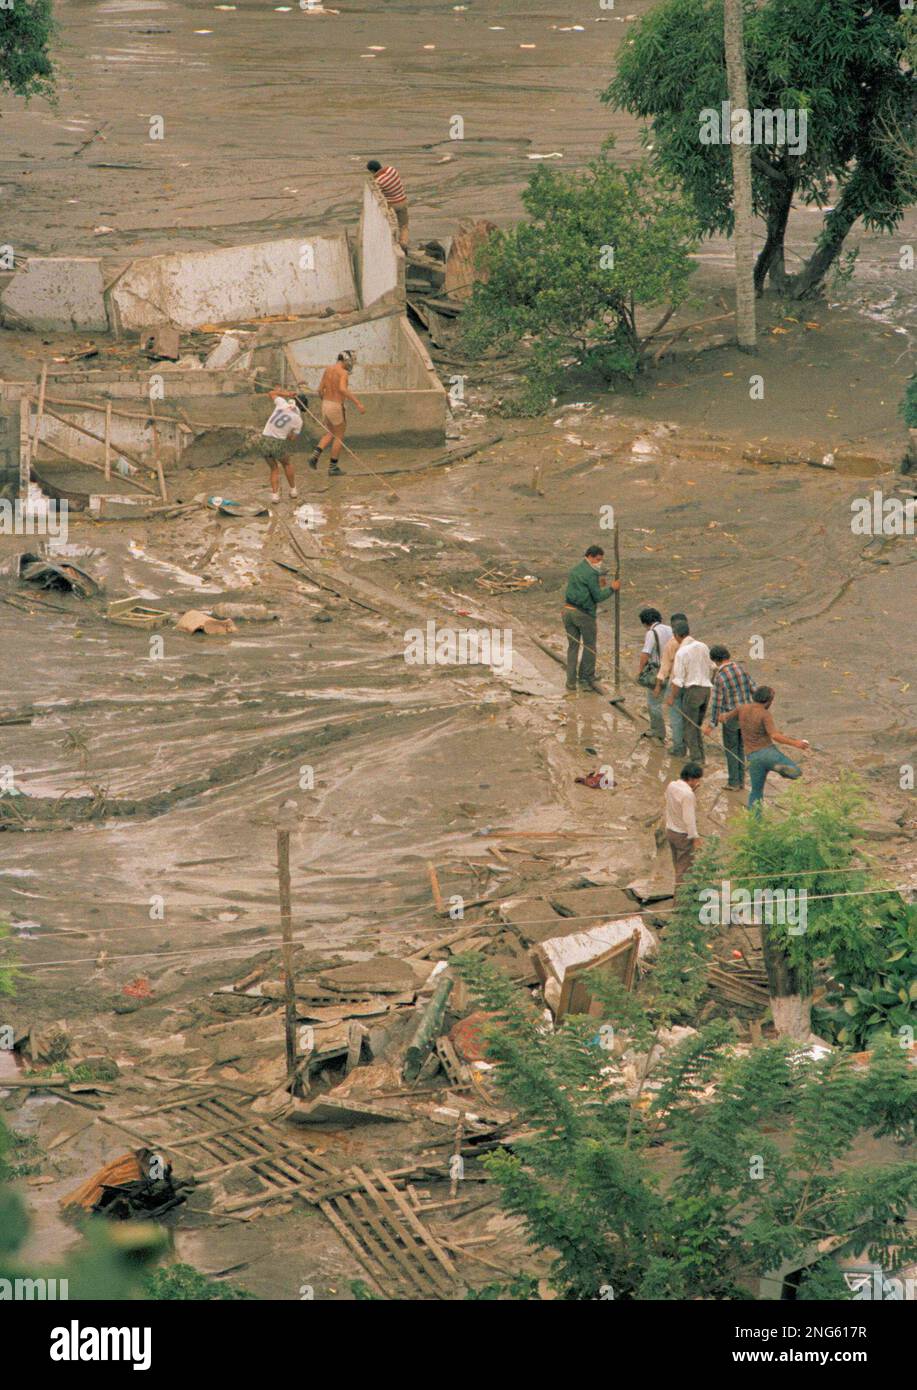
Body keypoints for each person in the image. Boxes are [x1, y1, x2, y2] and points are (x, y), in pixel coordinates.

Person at [721, 686, 809, 810]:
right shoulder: (764, 714)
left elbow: (724, 718)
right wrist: (796, 743)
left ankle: (755, 823)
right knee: (796, 773)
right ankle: (778, 768)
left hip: (753, 757)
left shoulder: (742, 708)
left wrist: (715, 721)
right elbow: (774, 735)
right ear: (768, 701)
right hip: (768, 752)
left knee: (756, 792)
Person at [563, 545, 619, 692]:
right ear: (591, 556)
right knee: (589, 646)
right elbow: (598, 596)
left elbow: (583, 589)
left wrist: (599, 583)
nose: (599, 563)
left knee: (573, 647)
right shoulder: (591, 573)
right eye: (598, 560)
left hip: (567, 611)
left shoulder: (577, 569)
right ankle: (586, 677)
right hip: (583, 614)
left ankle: (570, 682)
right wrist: (612, 588)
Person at [703, 646, 757, 791]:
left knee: (732, 750)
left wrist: (711, 725)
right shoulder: (741, 668)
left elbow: (716, 703)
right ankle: (741, 782)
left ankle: (734, 782)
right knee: (741, 747)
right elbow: (754, 689)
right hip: (747, 715)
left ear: (715, 660)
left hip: (731, 718)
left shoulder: (720, 677)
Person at [308, 351, 365, 476]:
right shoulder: (343, 373)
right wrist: (358, 403)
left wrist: (325, 402)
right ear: (346, 360)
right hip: (336, 406)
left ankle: (315, 456)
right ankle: (333, 467)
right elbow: (342, 389)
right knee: (339, 436)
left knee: (330, 432)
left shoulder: (328, 369)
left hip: (325, 404)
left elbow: (319, 390)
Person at [666, 619, 712, 764]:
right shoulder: (703, 646)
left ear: (676, 635)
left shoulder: (681, 652)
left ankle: (697, 759)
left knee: (690, 727)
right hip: (706, 690)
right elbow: (712, 666)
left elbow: (678, 680)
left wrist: (672, 697)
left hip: (692, 691)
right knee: (696, 725)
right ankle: (700, 756)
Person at [260, 387, 305, 503]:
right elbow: (292, 438)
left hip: (264, 440)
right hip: (278, 443)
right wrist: (287, 433)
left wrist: (286, 393)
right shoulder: (298, 420)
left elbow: (271, 393)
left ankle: (275, 496)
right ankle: (293, 490)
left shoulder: (282, 403)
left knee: (274, 469)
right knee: (287, 464)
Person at [664, 761, 704, 889]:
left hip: (670, 831)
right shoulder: (688, 795)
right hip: (682, 836)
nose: (698, 782)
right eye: (697, 779)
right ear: (692, 779)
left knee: (678, 866)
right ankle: (681, 905)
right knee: (685, 872)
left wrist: (692, 790)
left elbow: (674, 801)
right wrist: (695, 837)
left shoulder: (671, 785)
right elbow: (689, 819)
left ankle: (683, 896)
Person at [637, 607, 673, 743]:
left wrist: (640, 671)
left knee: (653, 702)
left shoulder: (652, 633)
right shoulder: (669, 629)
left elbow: (645, 653)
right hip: (672, 669)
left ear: (646, 623)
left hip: (658, 670)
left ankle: (658, 731)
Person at [367, 159, 409, 249]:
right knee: (404, 225)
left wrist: (374, 177)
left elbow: (378, 192)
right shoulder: (392, 170)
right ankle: (403, 242)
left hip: (391, 204)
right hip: (402, 201)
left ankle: (393, 243)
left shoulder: (378, 181)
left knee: (391, 225)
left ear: (372, 171)